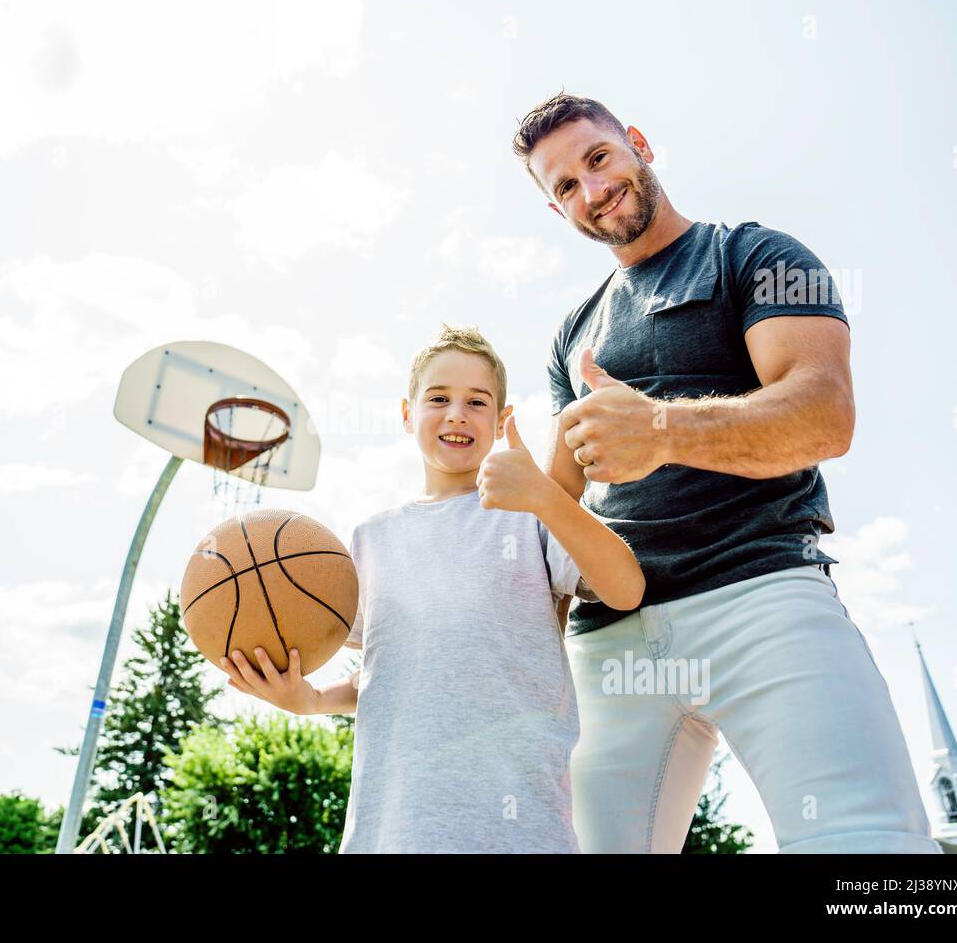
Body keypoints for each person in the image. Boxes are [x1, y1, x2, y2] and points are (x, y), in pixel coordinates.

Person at [510, 91, 941, 853]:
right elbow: (554, 511)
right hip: (612, 642)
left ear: (638, 143)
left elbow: (825, 416)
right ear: (556, 212)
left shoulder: (758, 254)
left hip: (762, 594)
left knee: (868, 850)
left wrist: (664, 429)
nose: (592, 189)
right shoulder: (571, 336)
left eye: (598, 158)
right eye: (565, 187)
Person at [219, 324, 645, 852]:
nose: (456, 414)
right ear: (406, 414)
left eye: (477, 401)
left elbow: (626, 588)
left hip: (518, 829)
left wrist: (544, 496)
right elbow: (386, 676)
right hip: (393, 829)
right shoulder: (369, 541)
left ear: (502, 420)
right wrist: (308, 699)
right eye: (438, 398)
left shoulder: (529, 518)